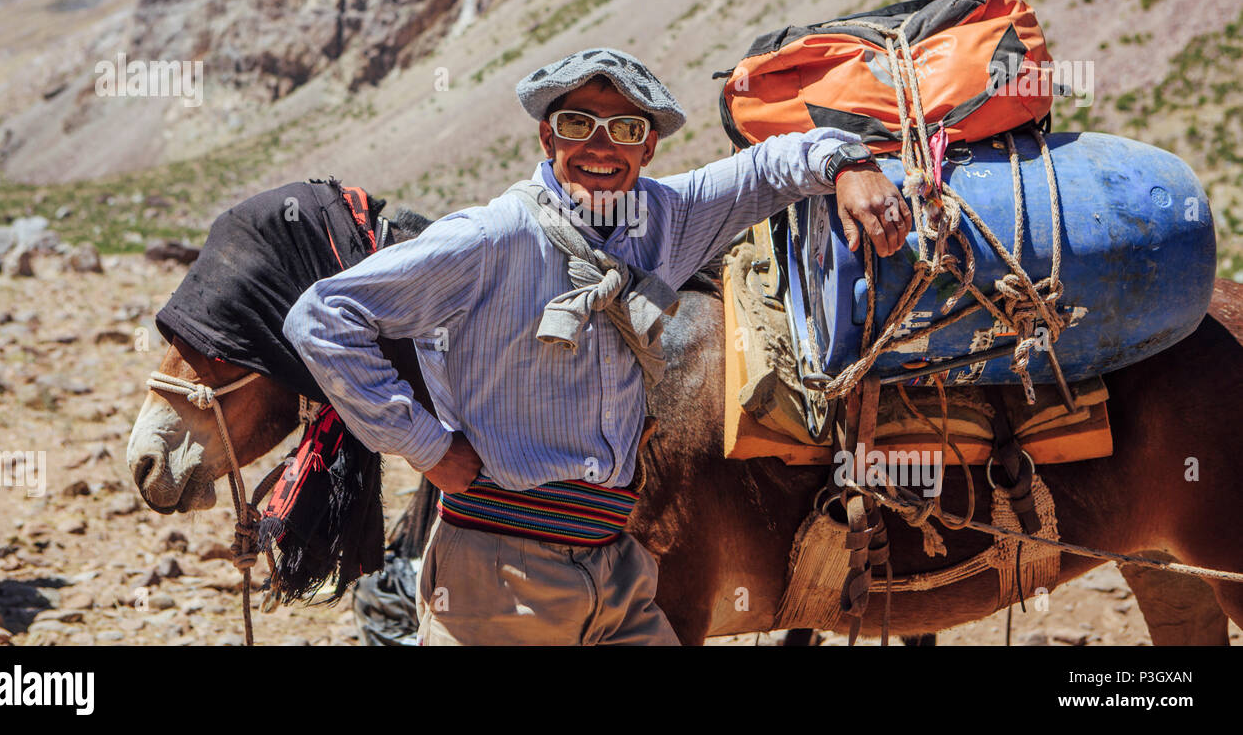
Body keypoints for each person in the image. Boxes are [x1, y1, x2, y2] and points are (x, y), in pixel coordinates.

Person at [282, 47, 912, 645]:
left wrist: (850, 166)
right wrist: (427, 446)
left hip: (617, 569)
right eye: (578, 123)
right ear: (547, 137)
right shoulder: (493, 238)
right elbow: (323, 316)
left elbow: (772, 166)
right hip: (501, 575)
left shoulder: (666, 217)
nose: (601, 146)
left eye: (625, 128)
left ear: (650, 144)